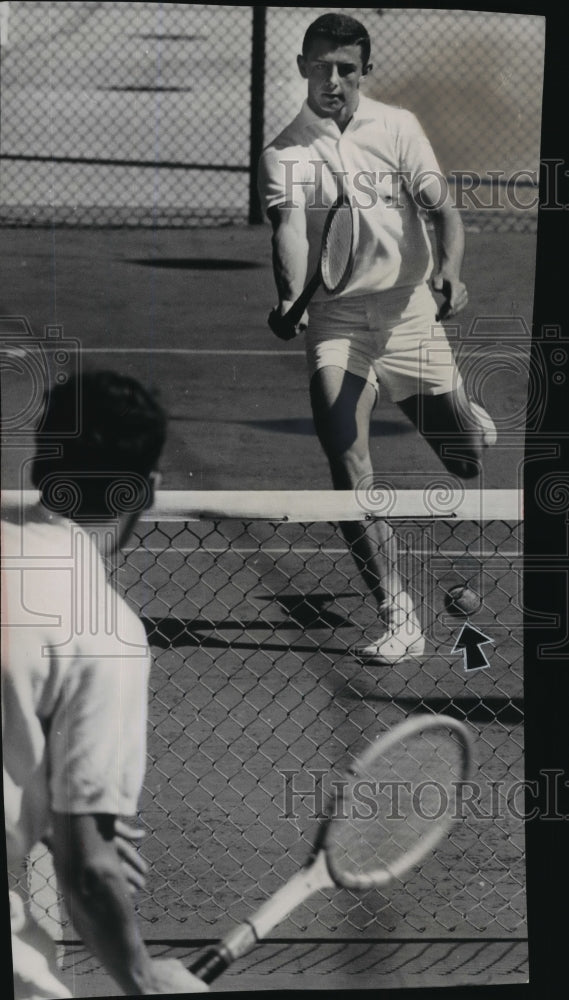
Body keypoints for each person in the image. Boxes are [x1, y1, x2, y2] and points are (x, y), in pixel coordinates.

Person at [257, 12, 496, 664]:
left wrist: (449, 274)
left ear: (364, 71)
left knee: (466, 459)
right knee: (346, 459)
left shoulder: (398, 127)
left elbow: (442, 212)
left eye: (346, 69)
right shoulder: (284, 151)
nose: (332, 79)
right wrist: (289, 296)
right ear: (302, 66)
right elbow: (288, 230)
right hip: (337, 324)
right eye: (321, 66)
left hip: (409, 314)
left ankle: (468, 416)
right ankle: (398, 615)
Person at [2, 371, 208, 997]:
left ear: (43, 466)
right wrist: (145, 979)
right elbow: (90, 873)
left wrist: (57, 824)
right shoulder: (104, 630)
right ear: (146, 490)